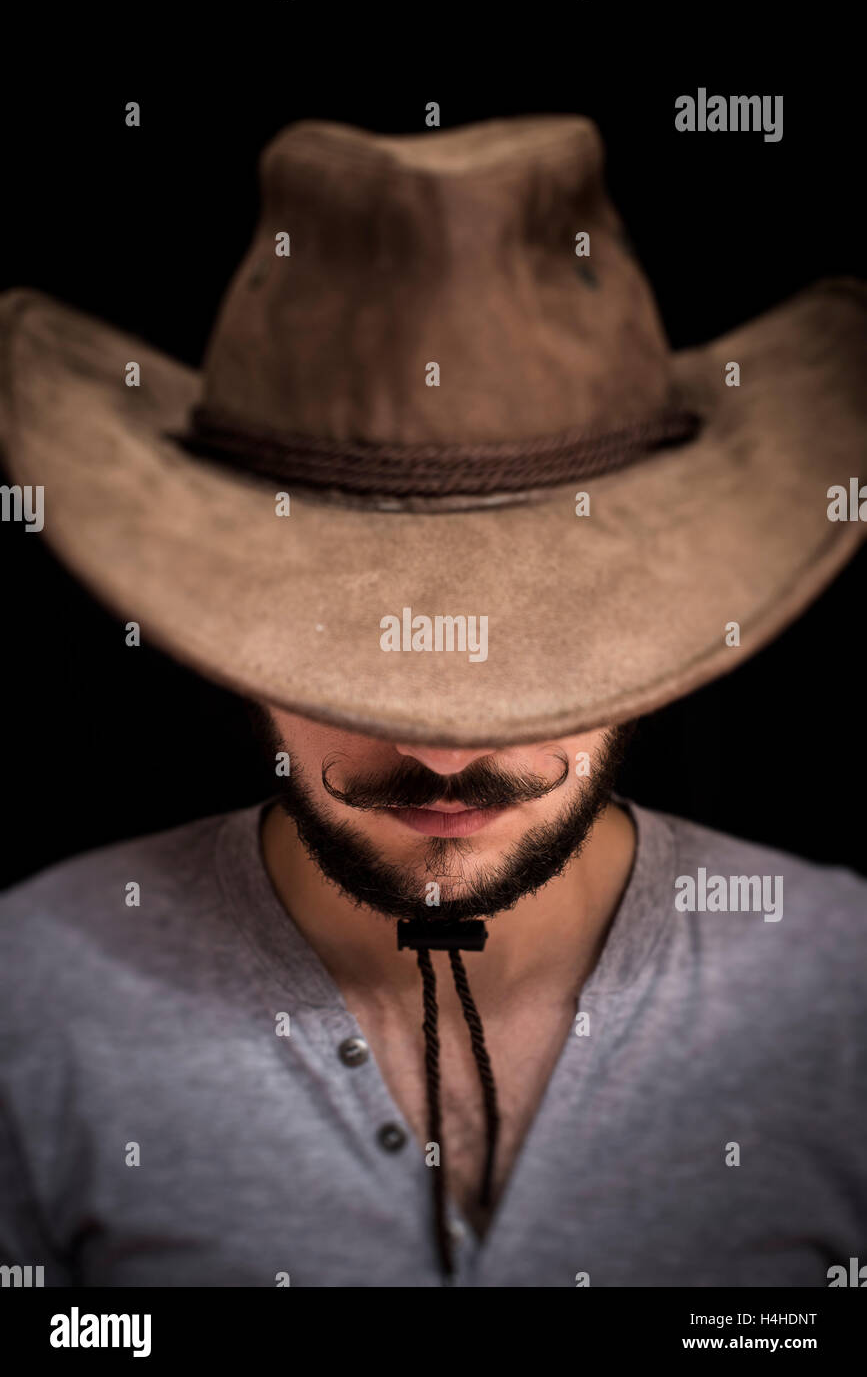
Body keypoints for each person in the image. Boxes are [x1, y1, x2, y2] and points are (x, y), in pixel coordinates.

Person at [1, 114, 865, 1287]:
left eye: (540, 651)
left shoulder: (841, 989)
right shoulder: (33, 992)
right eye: (349, 655)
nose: (447, 750)